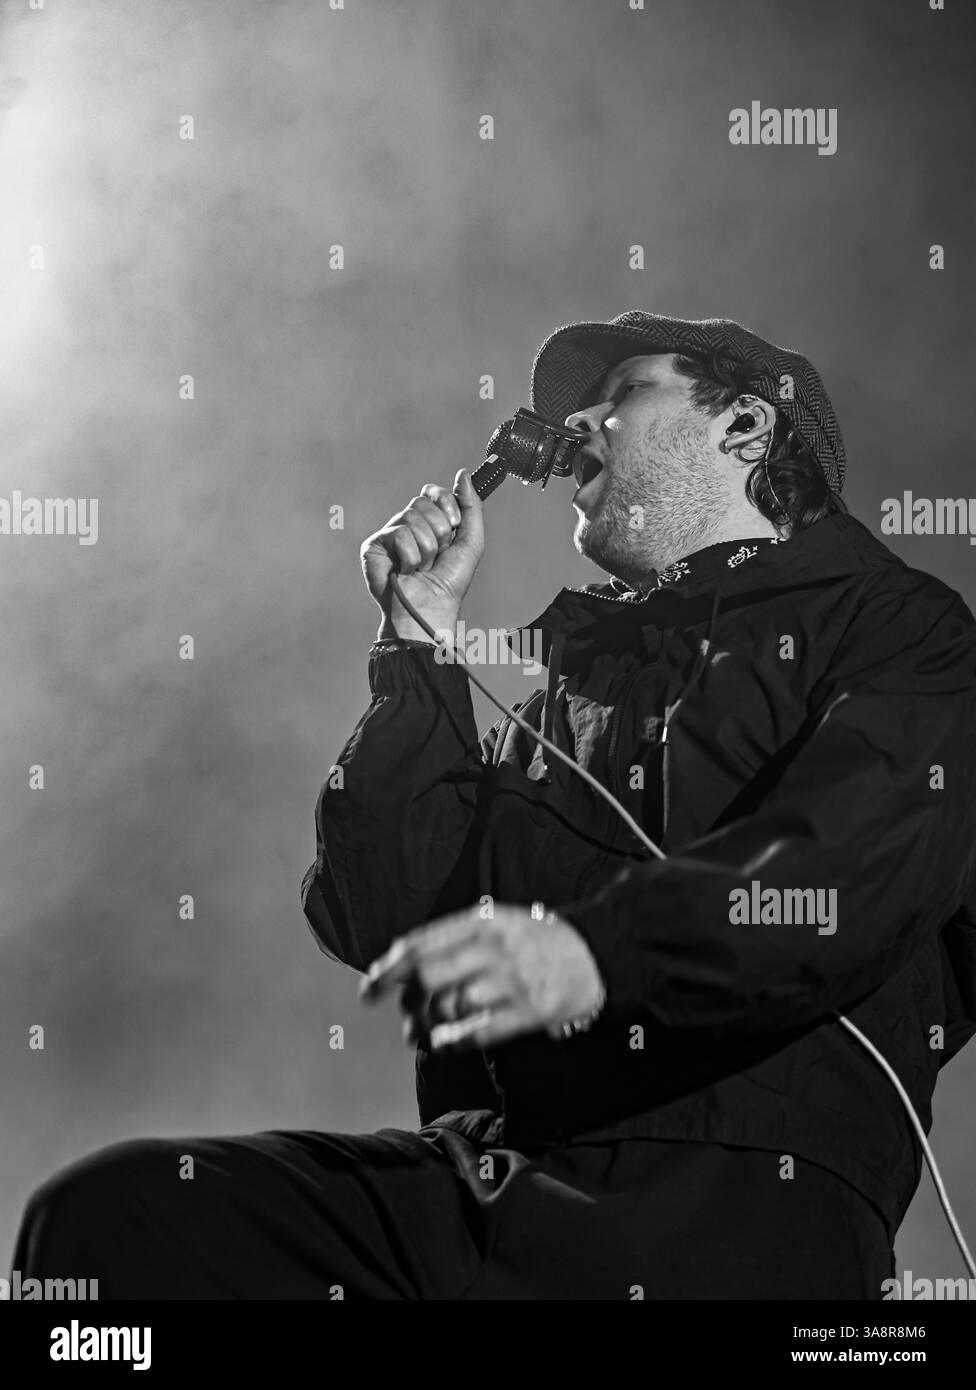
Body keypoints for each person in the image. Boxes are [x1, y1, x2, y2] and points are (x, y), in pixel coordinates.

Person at [13, 311, 976, 1300]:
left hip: (731, 1194)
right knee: (113, 1224)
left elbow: (853, 860)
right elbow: (386, 918)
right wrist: (419, 648)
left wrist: (594, 954)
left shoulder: (900, 629)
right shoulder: (567, 694)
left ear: (744, 428)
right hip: (496, 1171)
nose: (582, 425)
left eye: (622, 394)